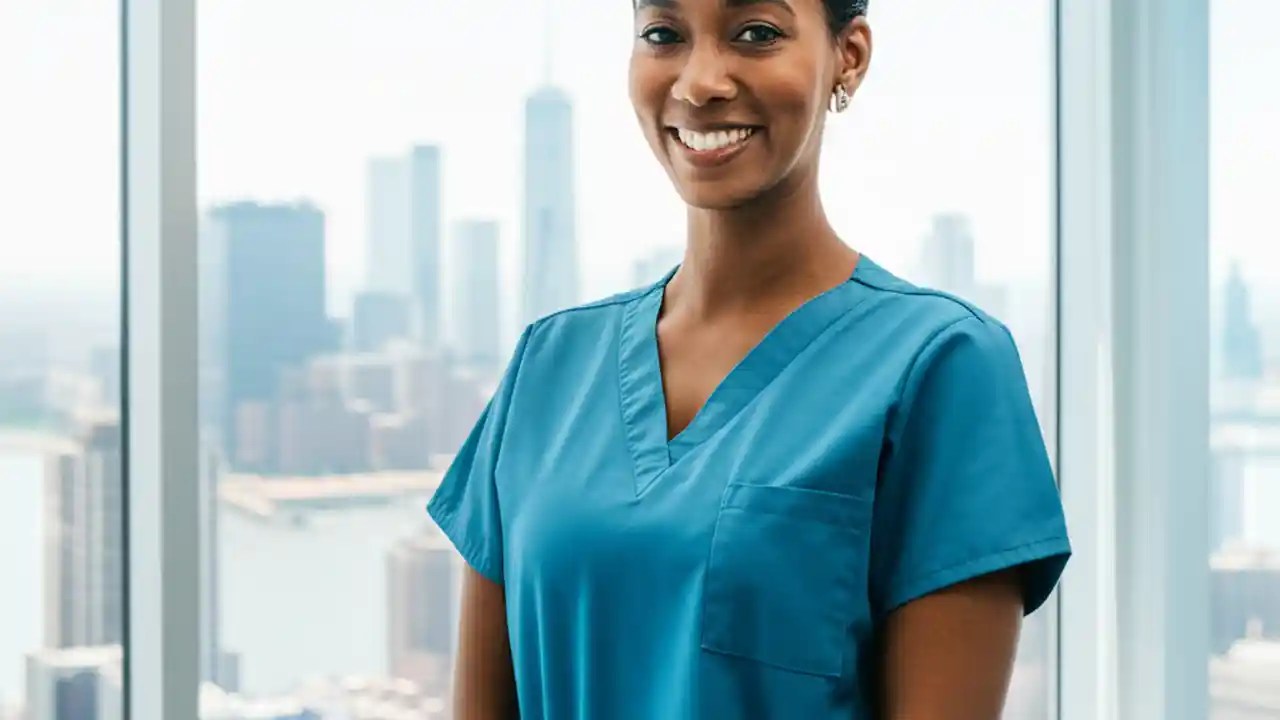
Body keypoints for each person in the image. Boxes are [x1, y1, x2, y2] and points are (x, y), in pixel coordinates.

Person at [427, 0, 1071, 717]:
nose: (701, 81)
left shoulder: (940, 365)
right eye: (663, 35)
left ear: (848, 55)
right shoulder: (549, 364)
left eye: (757, 33)